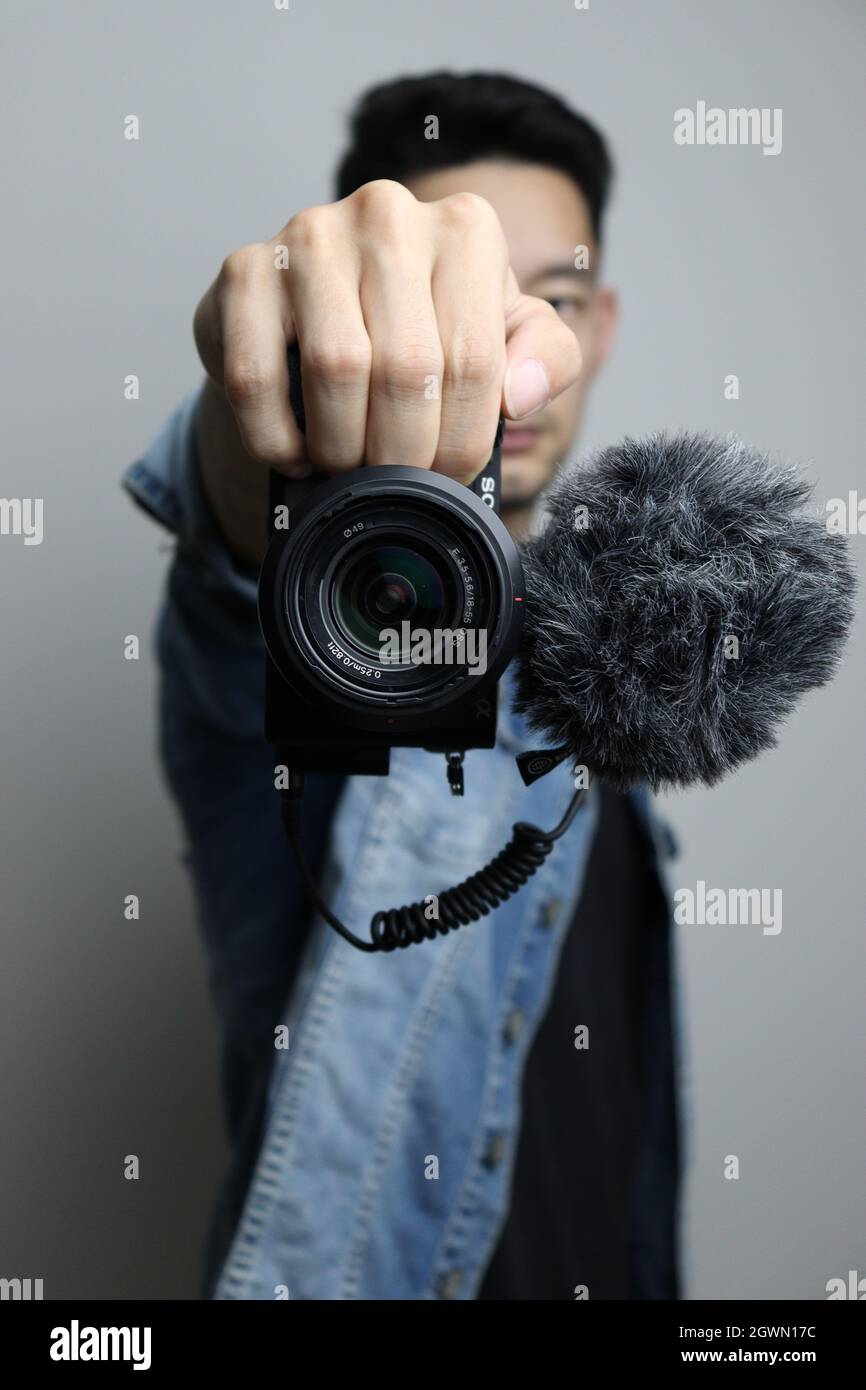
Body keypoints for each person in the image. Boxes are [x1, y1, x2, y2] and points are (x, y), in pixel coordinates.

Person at [123, 70, 683, 1301]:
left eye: (558, 298)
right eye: (458, 305)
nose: (511, 346)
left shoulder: (600, 675)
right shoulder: (327, 627)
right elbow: (233, 563)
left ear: (600, 327)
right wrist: (255, 409)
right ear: (365, 323)